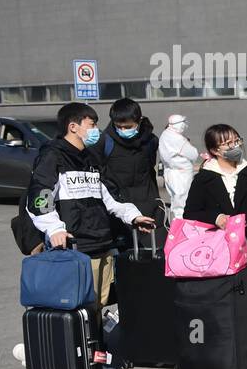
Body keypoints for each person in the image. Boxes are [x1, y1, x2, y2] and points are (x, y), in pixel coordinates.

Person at [25, 102, 156, 307]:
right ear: (73, 126)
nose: (96, 130)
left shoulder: (91, 158)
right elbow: (40, 196)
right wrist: (54, 229)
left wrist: (133, 216)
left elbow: (111, 195)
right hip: (75, 247)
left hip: (102, 243)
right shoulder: (53, 156)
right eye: (91, 124)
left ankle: (97, 339)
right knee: (80, 306)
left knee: (100, 304)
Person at [183, 125, 247, 257]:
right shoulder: (203, 178)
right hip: (216, 251)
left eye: (237, 141)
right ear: (215, 150)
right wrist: (216, 218)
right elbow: (190, 213)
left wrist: (242, 221)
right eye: (228, 143)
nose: (235, 146)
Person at [93, 97, 162, 234]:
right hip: (118, 209)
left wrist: (156, 203)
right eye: (119, 127)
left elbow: (149, 170)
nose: (123, 130)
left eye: (128, 127)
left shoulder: (151, 141)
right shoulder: (104, 141)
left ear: (139, 121)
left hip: (148, 205)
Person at [159, 114, 200, 217]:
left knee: (175, 201)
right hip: (181, 174)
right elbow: (193, 153)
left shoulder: (165, 134)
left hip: (170, 172)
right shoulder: (177, 138)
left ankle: (176, 225)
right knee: (182, 203)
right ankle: (182, 227)